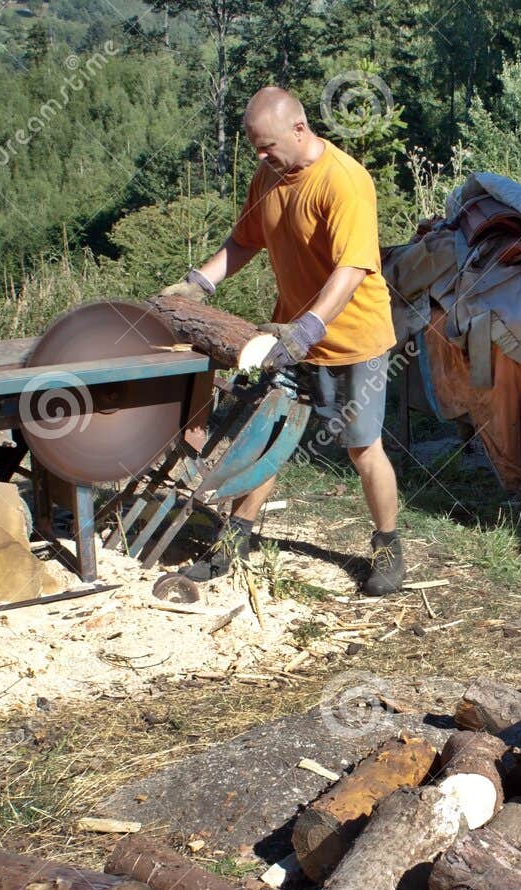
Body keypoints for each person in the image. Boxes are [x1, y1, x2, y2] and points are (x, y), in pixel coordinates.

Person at [161, 87, 404, 596]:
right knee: (265, 434)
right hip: (285, 335)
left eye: (267, 145)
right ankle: (234, 542)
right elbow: (243, 242)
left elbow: (353, 267)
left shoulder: (343, 181)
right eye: (255, 147)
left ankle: (388, 547)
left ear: (300, 129)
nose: (261, 156)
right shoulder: (268, 176)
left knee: (362, 449)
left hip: (354, 339)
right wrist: (198, 284)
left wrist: (310, 329)